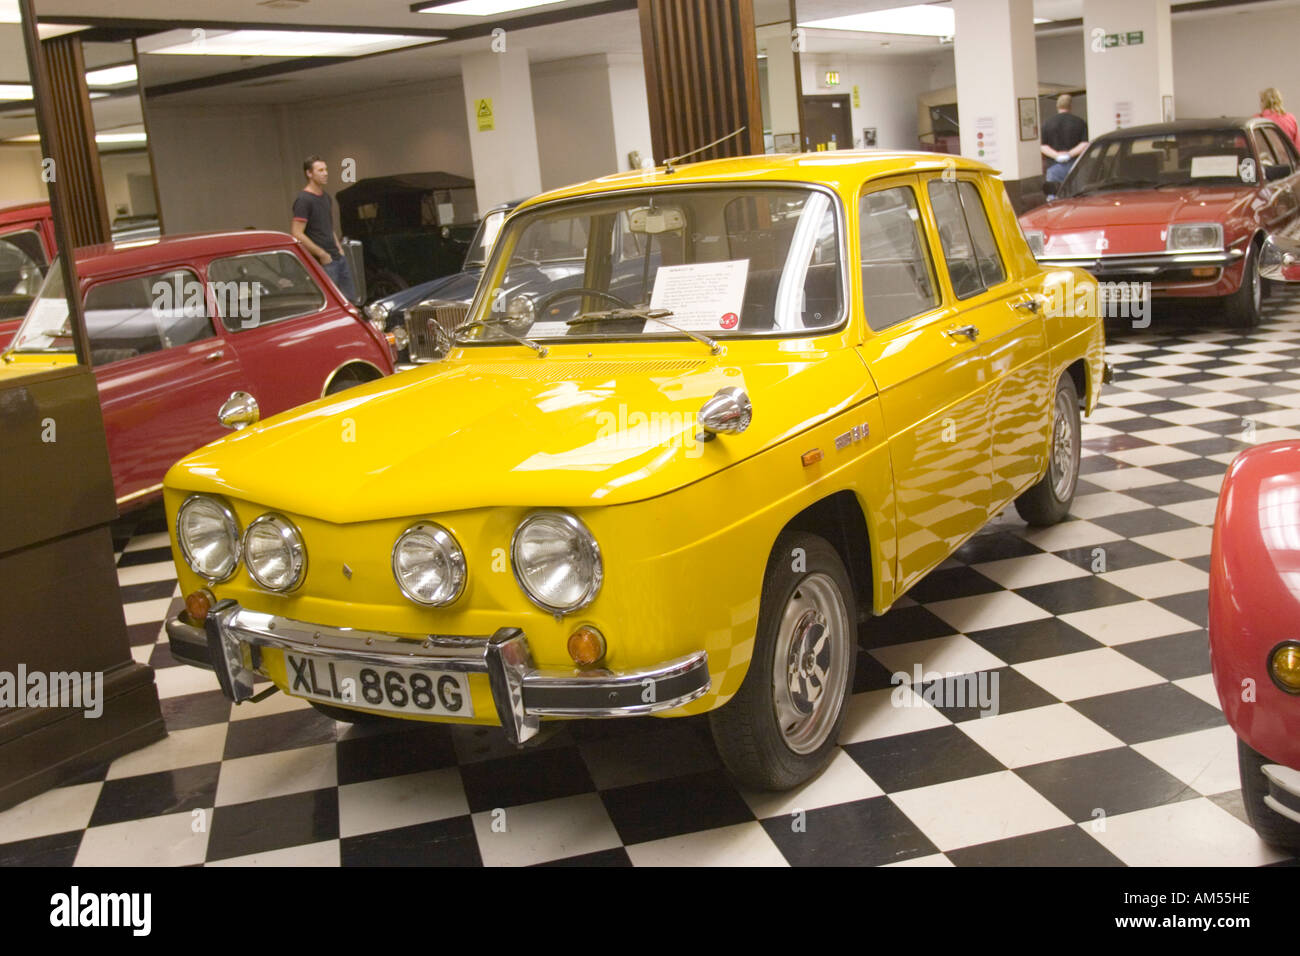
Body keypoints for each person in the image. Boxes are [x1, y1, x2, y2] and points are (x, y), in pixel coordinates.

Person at [291, 156, 357, 303]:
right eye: (320, 170)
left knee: (350, 300)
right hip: (324, 262)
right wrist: (321, 254)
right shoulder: (304, 200)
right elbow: (296, 233)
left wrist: (339, 249)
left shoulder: (326, 197)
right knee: (332, 303)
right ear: (309, 173)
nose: (325, 173)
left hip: (338, 257)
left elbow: (328, 226)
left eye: (326, 169)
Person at [1041, 94, 1089, 187]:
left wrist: (1057, 155)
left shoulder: (1047, 123)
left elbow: (1043, 146)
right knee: (1076, 196)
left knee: (1054, 197)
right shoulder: (1079, 122)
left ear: (1057, 106)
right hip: (1075, 166)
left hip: (1053, 166)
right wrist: (1069, 154)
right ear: (1071, 106)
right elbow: (1084, 143)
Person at [1257, 87, 1300, 152]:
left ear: (1263, 102)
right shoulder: (1290, 119)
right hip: (1288, 160)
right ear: (1280, 101)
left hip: (1264, 160)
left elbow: (1243, 144)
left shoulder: (1256, 120)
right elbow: (1297, 147)